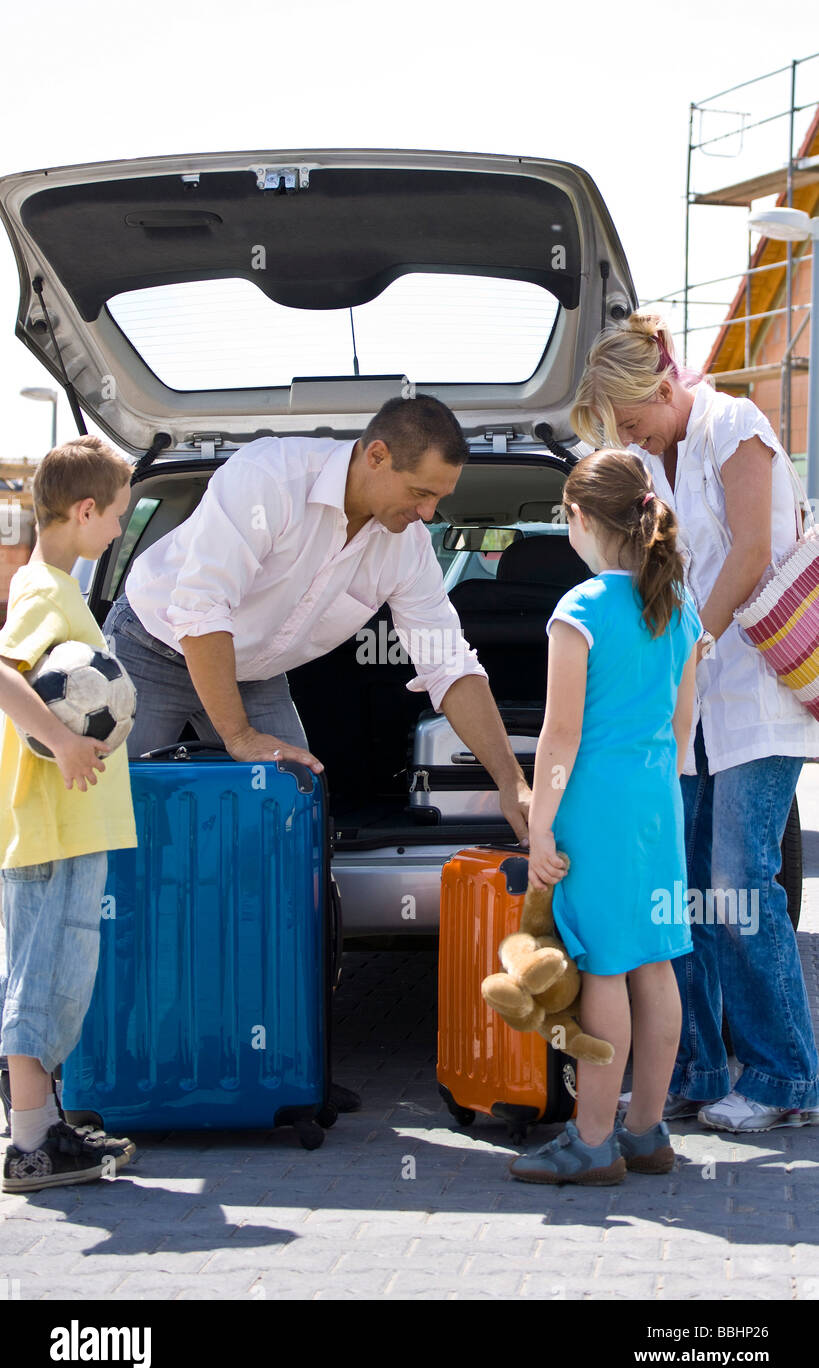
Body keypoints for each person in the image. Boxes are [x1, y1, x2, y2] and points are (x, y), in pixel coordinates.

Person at [568, 311, 819, 1134]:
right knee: (687, 895)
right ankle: (702, 1072)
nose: (628, 434)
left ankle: (785, 1079)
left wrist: (691, 644)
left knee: (737, 883)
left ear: (661, 384)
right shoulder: (648, 457)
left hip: (756, 693)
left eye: (631, 418)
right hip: (698, 700)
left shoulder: (732, 425)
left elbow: (749, 551)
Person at [105, 393, 532, 839]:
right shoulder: (267, 478)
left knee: (291, 817)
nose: (427, 513)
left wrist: (511, 781)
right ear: (377, 456)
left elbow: (448, 664)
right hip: (148, 649)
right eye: (420, 493)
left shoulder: (409, 548)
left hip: (254, 675)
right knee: (115, 818)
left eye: (438, 498)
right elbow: (201, 608)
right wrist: (240, 737)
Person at [508, 449, 701, 1185]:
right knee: (653, 962)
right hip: (655, 804)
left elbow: (559, 738)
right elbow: (682, 729)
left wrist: (540, 823)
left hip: (595, 807)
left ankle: (590, 1140)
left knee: (602, 969)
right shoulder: (678, 608)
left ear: (579, 519)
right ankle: (645, 1133)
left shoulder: (579, 610)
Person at [0, 436, 138, 1192]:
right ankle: (27, 1148)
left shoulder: (54, 585)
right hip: (53, 829)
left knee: (58, 976)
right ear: (85, 510)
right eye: (117, 516)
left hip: (69, 829)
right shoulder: (44, 590)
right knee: (43, 979)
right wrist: (59, 736)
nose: (119, 530)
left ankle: (45, 1125)